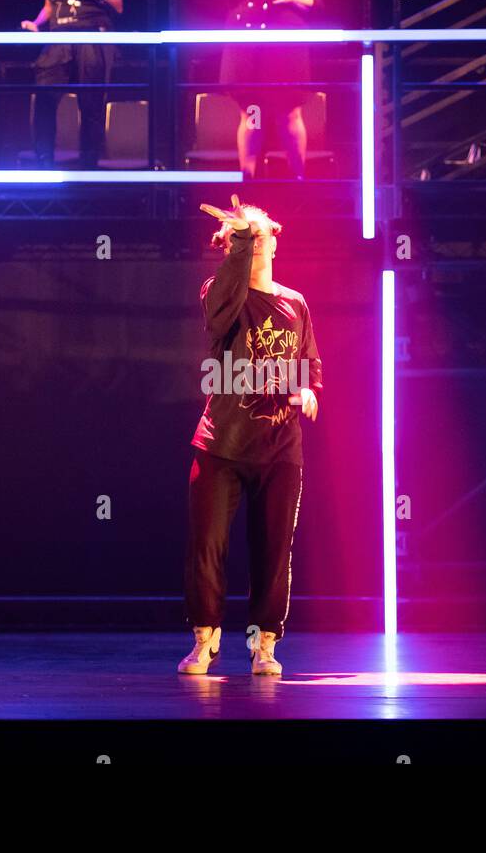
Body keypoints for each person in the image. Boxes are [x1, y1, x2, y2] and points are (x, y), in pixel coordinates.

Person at [179, 195, 323, 676]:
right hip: (222, 445)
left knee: (274, 548)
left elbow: (311, 364)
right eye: (243, 239)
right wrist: (240, 238)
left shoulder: (295, 302)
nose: (254, 243)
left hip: (280, 450)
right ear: (231, 248)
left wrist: (307, 391)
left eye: (260, 235)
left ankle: (265, 644)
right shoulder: (220, 295)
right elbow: (221, 314)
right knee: (208, 546)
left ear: (275, 243)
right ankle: (205, 641)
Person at [218, 0, 319, 179]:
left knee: (289, 111)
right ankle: (247, 177)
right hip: (246, 33)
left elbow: (316, 2)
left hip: (287, 37)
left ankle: (298, 178)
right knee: (250, 110)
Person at [22, 0, 124, 168]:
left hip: (92, 34)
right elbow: (49, 6)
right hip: (59, 36)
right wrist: (35, 23)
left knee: (91, 102)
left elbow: (118, 6)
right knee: (44, 97)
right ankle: (44, 161)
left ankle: (88, 165)